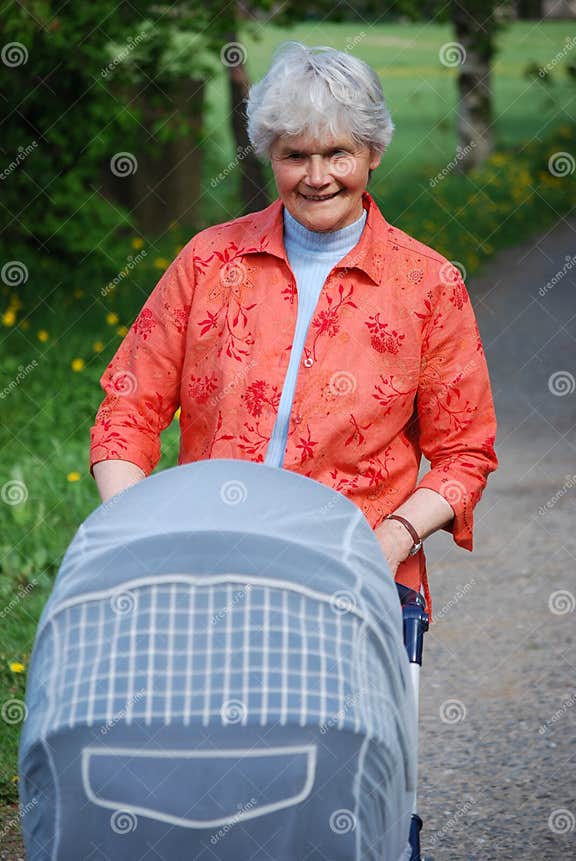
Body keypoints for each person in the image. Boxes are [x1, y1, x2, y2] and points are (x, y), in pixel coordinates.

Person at [90, 41, 498, 614]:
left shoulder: (428, 285)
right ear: (268, 154)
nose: (317, 177)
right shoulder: (208, 261)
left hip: (356, 579)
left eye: (338, 153)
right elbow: (128, 409)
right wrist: (133, 529)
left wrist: (393, 538)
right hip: (204, 575)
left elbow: (465, 453)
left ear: (373, 151)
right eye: (294, 155)